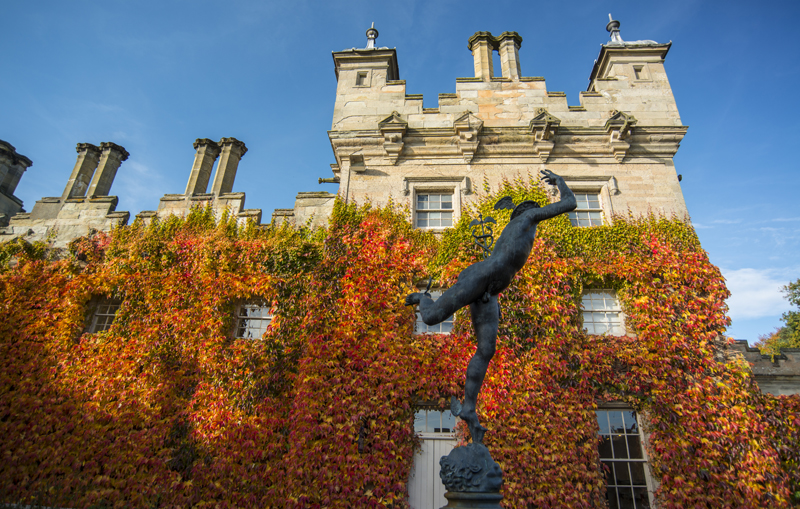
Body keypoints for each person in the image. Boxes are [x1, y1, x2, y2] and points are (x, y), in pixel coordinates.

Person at [405, 170, 576, 443]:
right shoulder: (527, 218)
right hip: (482, 276)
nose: (539, 215)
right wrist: (560, 182)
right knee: (433, 316)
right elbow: (569, 204)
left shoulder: (520, 230)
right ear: (526, 212)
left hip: (490, 290)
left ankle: (469, 406)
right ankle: (422, 298)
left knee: (487, 349)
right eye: (535, 210)